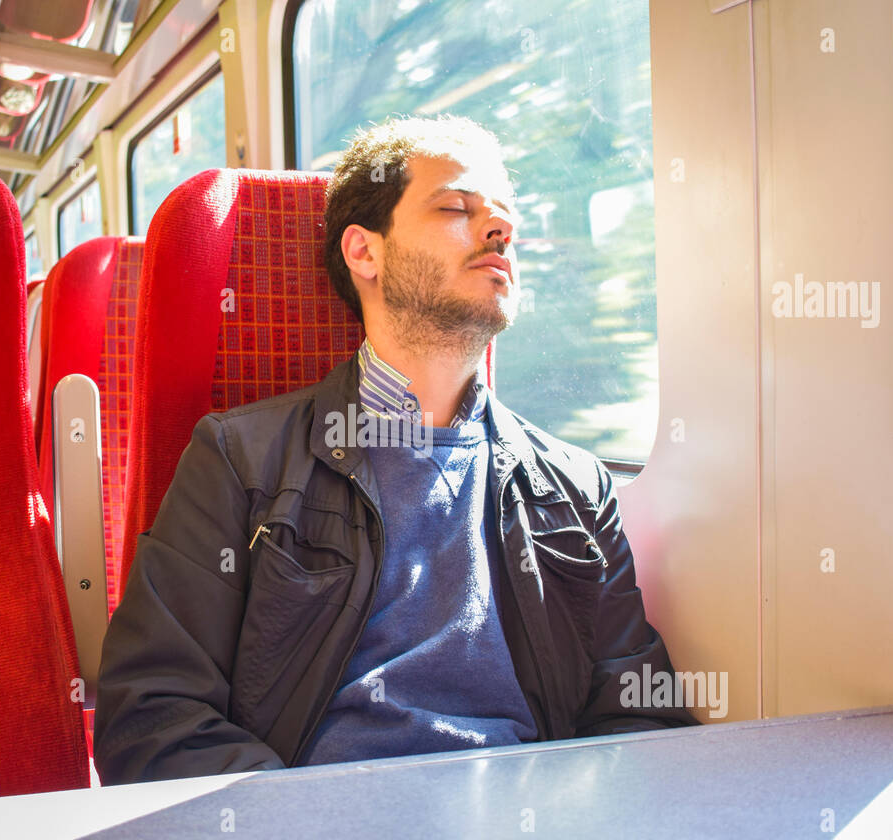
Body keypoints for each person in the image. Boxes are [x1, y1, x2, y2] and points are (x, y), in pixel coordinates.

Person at [93, 115, 697, 784]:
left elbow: (639, 716)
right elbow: (151, 717)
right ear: (364, 253)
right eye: (456, 208)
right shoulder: (242, 460)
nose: (501, 231)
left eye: (505, 217)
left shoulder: (576, 487)